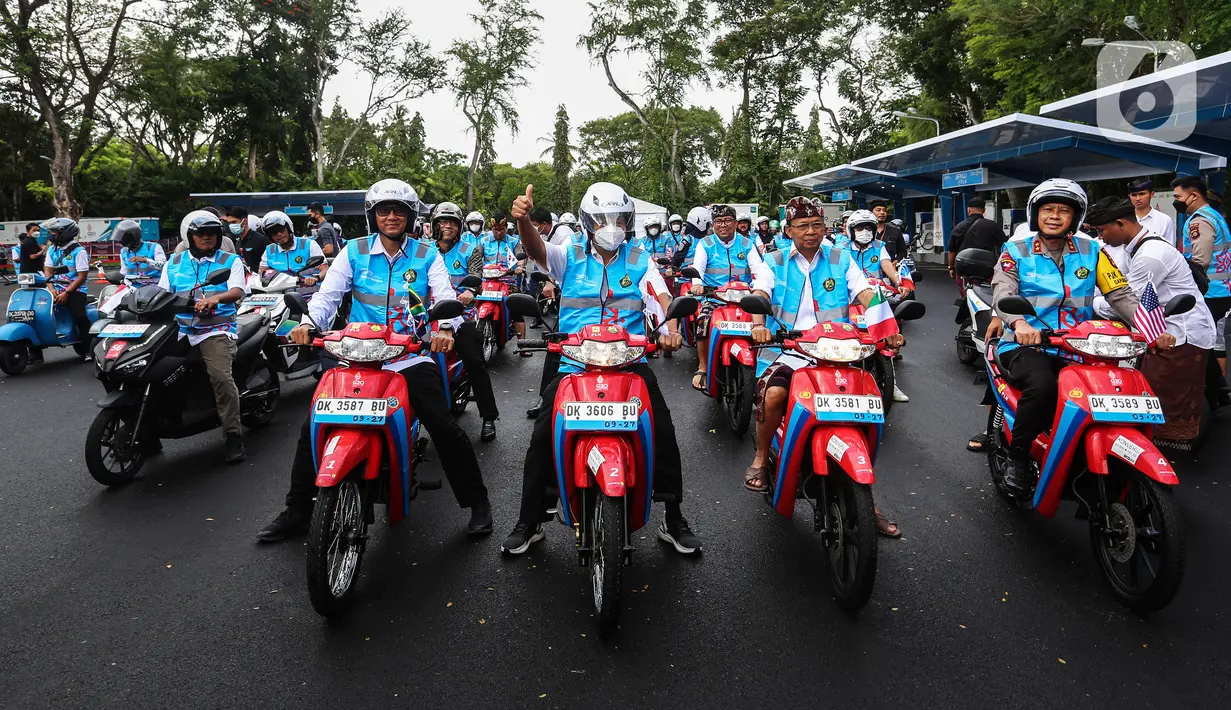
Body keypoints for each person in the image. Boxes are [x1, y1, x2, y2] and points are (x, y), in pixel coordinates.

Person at [258, 178, 492, 542]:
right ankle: (298, 508)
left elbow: (444, 295)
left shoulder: (427, 254)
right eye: (384, 210)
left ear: (412, 216)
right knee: (311, 427)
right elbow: (327, 297)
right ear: (373, 215)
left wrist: (444, 327)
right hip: (356, 356)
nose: (392, 216)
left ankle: (477, 503)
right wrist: (306, 324)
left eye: (399, 210)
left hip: (408, 356)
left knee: (445, 428)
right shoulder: (353, 251)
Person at [501, 181, 700, 556]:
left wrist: (672, 329)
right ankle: (529, 521)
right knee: (543, 432)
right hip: (575, 362)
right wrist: (524, 220)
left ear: (629, 221)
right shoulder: (569, 255)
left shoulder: (641, 258)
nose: (612, 226)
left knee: (662, 428)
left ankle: (673, 518)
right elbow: (535, 249)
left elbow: (661, 294)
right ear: (586, 222)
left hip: (629, 361)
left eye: (619, 218)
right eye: (603, 219)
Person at [744, 197, 906, 537]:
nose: (811, 232)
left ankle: (863, 496)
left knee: (865, 405)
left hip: (837, 351)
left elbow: (865, 293)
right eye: (802, 226)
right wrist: (758, 322)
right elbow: (760, 292)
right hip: (788, 351)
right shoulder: (772, 261)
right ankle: (761, 457)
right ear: (788, 231)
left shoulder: (841, 257)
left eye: (817, 225)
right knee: (774, 396)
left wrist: (888, 330)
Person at [992, 179, 1163, 496]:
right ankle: (1018, 458)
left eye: (1063, 210)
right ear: (1036, 214)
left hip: (1080, 345)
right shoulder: (1015, 251)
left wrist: (1153, 328)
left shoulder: (1093, 251)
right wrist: (1018, 323)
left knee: (1116, 386)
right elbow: (1004, 292)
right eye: (1048, 209)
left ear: (1076, 216)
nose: (1054, 216)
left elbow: (1120, 293)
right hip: (1025, 344)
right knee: (1043, 386)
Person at [1086, 197, 1213, 450]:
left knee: (1165, 398)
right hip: (1168, 329)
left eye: (1101, 231)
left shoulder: (1149, 255)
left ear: (1120, 224)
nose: (1101, 238)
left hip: (1179, 333)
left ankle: (1167, 451)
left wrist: (1090, 303)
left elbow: (1127, 303)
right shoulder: (1142, 246)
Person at [158, 213, 250, 463]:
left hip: (216, 330)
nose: (207, 236)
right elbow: (161, 294)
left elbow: (237, 290)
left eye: (212, 232)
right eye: (200, 233)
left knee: (221, 378)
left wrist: (216, 299)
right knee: (151, 370)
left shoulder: (230, 260)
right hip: (180, 330)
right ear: (190, 237)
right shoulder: (173, 262)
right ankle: (148, 432)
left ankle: (233, 435)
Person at [431, 201, 500, 441]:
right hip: (425, 319)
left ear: (460, 226)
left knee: (475, 361)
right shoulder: (425, 251)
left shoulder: (471, 249)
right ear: (434, 225)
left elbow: (476, 275)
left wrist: (470, 291)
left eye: (451, 222)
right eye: (442, 221)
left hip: (462, 317)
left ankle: (488, 417)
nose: (447, 226)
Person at [686, 204, 764, 392]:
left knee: (763, 325)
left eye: (728, 220)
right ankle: (703, 367)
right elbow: (698, 268)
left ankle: (763, 368)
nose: (723, 225)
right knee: (703, 321)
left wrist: (761, 285)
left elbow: (759, 269)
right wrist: (697, 283)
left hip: (744, 299)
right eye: (719, 221)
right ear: (713, 224)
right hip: (714, 298)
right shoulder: (705, 244)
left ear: (736, 223)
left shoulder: (747, 244)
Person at [1172, 175, 1231, 405]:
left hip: (1208, 292)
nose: (1177, 201)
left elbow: (1200, 260)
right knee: (1207, 343)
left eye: (1178, 196)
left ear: (1193, 195)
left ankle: (1213, 395)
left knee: (1199, 344)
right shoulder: (1214, 214)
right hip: (1220, 290)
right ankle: (1218, 391)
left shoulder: (1198, 221)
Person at [847, 209, 911, 403]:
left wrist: (898, 282)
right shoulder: (840, 248)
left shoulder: (879, 246)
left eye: (868, 227)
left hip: (874, 297)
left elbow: (887, 265)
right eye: (860, 227)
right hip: (849, 299)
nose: (864, 231)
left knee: (885, 333)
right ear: (851, 230)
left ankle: (890, 380)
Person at [41, 218, 92, 346]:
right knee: (36, 313)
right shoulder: (52, 249)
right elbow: (48, 269)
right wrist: (51, 289)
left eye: (54, 232)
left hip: (75, 290)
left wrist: (67, 293)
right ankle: (36, 351)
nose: (52, 235)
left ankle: (88, 346)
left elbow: (81, 276)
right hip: (55, 288)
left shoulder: (79, 251)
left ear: (65, 233)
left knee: (79, 315)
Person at [259, 210, 328, 288]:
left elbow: (325, 269)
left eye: (281, 230)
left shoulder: (309, 244)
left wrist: (316, 278)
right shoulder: (269, 251)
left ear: (289, 229)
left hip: (308, 290)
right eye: (274, 232)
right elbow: (261, 274)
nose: (279, 234)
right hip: (278, 292)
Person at [946, 198, 1008, 279]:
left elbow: (952, 250)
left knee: (964, 289)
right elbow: (1005, 246)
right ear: (984, 210)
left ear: (968, 210)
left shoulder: (959, 227)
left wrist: (951, 268)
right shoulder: (993, 226)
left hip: (964, 268)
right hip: (986, 267)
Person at [1127, 180, 1176, 248]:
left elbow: (1170, 249)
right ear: (1129, 196)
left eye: (1142, 194)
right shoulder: (1125, 219)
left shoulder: (1164, 220)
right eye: (1134, 195)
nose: (1138, 198)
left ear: (1152, 194)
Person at [224, 207, 269, 273]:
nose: (231, 225)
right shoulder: (238, 243)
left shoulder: (261, 240)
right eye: (229, 223)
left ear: (244, 221)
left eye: (234, 222)